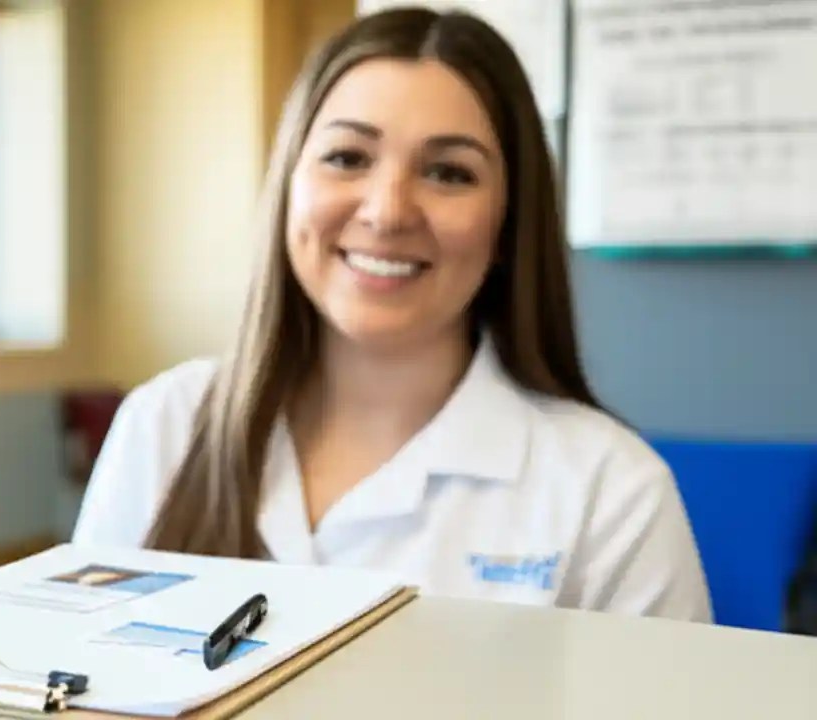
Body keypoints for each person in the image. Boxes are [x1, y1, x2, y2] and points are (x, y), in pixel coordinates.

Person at [71, 7, 712, 622]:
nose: (387, 211)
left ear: (509, 221)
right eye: (348, 158)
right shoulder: (165, 425)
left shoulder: (612, 491)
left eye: (449, 173)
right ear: (290, 183)